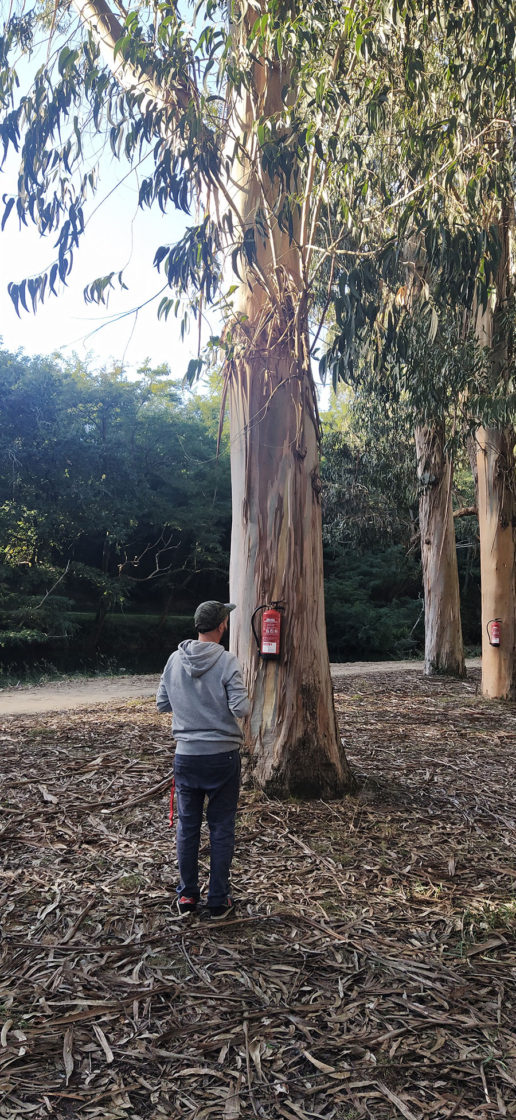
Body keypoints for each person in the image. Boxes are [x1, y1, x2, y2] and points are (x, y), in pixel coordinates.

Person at [156, 600, 250, 920]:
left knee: (188, 827)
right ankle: (218, 899)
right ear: (222, 626)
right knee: (221, 827)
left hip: (186, 757)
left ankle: (187, 897)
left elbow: (162, 704)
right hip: (223, 757)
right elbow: (241, 708)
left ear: (199, 626)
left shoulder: (173, 660)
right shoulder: (227, 661)